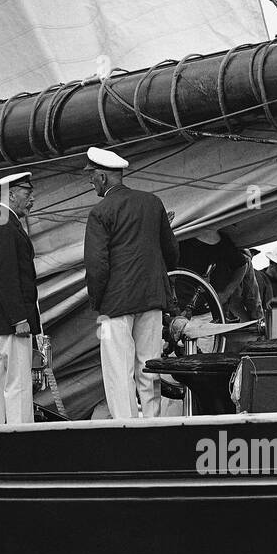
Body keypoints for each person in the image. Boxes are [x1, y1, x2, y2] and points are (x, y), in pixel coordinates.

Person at [83, 146, 180, 419]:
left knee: (118, 370)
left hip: (115, 304)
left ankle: (126, 429)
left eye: (92, 176)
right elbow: (171, 253)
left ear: (103, 178)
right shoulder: (152, 202)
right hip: (151, 298)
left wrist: (97, 301)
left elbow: (96, 264)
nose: (90, 181)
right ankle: (152, 424)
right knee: (149, 367)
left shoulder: (100, 212)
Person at [0, 171, 39, 426]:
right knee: (18, 379)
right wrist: (19, 318)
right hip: (10, 319)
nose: (31, 200)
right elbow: (5, 275)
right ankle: (21, 433)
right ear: (11, 195)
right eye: (27, 194)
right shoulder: (4, 222)